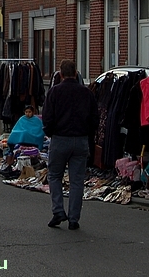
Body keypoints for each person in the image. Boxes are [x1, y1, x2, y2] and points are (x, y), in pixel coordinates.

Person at [41, 59, 97, 231]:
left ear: (60, 74)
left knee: (55, 176)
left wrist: (50, 132)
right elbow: (95, 118)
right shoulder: (87, 93)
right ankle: (74, 219)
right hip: (80, 140)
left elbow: (47, 117)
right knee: (77, 181)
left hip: (60, 138)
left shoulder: (54, 92)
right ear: (76, 73)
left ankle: (58, 210)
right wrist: (88, 135)